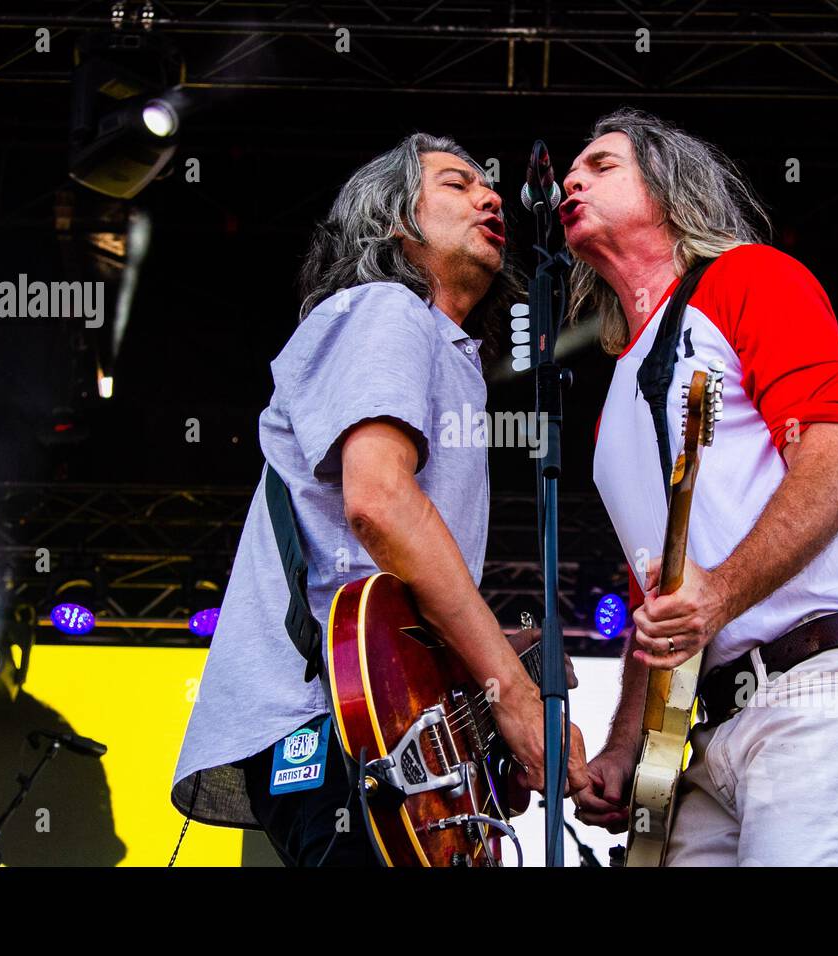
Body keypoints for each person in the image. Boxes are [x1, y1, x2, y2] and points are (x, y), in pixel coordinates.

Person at [170, 132, 589, 866]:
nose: (491, 196)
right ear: (394, 220)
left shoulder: (443, 348)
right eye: (457, 184)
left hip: (380, 726)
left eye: (486, 186)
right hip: (336, 720)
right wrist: (510, 691)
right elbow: (380, 504)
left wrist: (474, 695)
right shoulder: (384, 310)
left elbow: (393, 581)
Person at [565, 108, 838, 866]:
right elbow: (657, 604)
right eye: (573, 171)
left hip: (830, 691)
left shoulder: (751, 277)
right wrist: (624, 747)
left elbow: (830, 473)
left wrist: (720, 594)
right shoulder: (613, 405)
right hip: (714, 729)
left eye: (602, 165)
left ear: (672, 190)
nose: (572, 178)